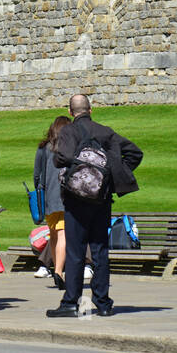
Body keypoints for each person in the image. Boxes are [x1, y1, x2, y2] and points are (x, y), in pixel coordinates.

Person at [47, 94, 143, 318]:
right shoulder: (105, 131)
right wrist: (110, 175)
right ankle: (103, 303)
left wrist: (78, 170)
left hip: (76, 200)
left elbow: (63, 158)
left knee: (76, 251)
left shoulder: (68, 131)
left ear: (70, 112)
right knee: (100, 250)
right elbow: (134, 153)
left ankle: (72, 302)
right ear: (91, 110)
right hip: (101, 199)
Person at [37, 115, 71, 289]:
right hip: (65, 197)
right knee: (63, 234)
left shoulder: (43, 148)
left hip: (48, 198)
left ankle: (56, 269)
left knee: (54, 235)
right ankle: (58, 271)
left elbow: (37, 175)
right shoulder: (69, 147)